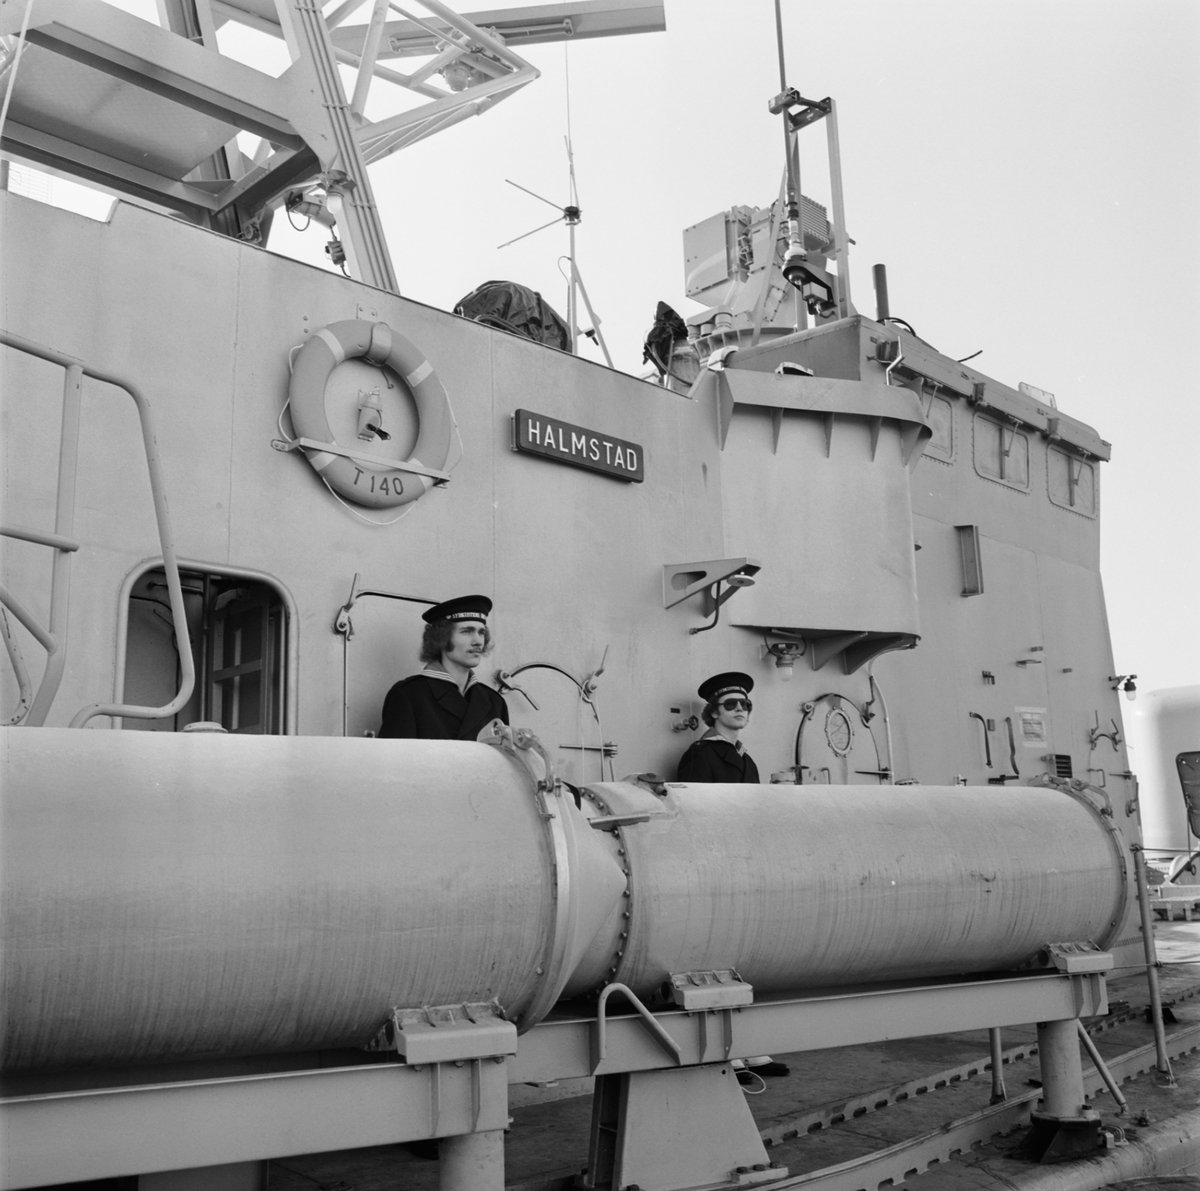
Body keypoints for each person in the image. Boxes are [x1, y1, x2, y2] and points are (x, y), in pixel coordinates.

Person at [378, 595, 509, 740]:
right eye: (466, 631)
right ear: (442, 638)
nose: (478, 641)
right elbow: (396, 761)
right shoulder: (409, 695)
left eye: (481, 632)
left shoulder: (494, 702)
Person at [675, 672, 761, 783]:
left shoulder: (748, 761)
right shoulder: (700, 754)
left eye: (745, 704)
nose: (740, 708)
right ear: (714, 712)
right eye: (730, 704)